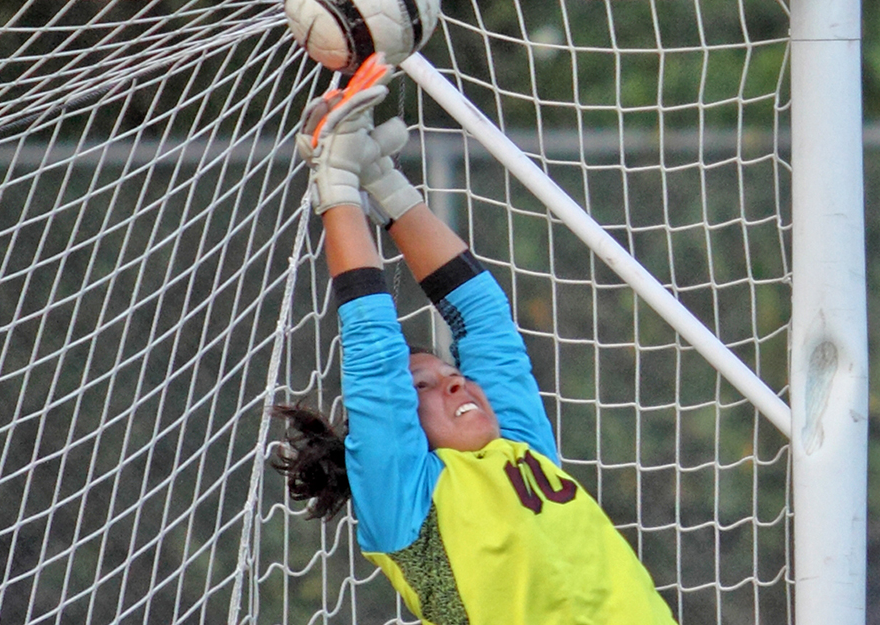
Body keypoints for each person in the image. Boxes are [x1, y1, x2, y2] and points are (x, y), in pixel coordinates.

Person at [272, 56, 677, 625]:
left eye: (446, 373)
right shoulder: (408, 504)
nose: (455, 379)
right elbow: (373, 352)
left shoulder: (520, 451)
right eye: (426, 386)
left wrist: (382, 182)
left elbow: (484, 320)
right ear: (402, 432)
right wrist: (334, 186)